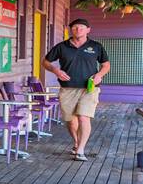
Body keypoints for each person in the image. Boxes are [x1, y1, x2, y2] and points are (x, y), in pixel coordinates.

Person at [41, 17, 110, 162]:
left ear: (88, 30)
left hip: (89, 88)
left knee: (83, 117)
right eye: (75, 27)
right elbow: (45, 62)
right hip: (67, 89)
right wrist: (56, 71)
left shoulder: (96, 46)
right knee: (71, 120)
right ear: (70, 30)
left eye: (81, 27)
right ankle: (77, 142)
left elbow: (106, 65)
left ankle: (81, 150)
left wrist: (99, 75)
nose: (78, 30)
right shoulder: (61, 47)